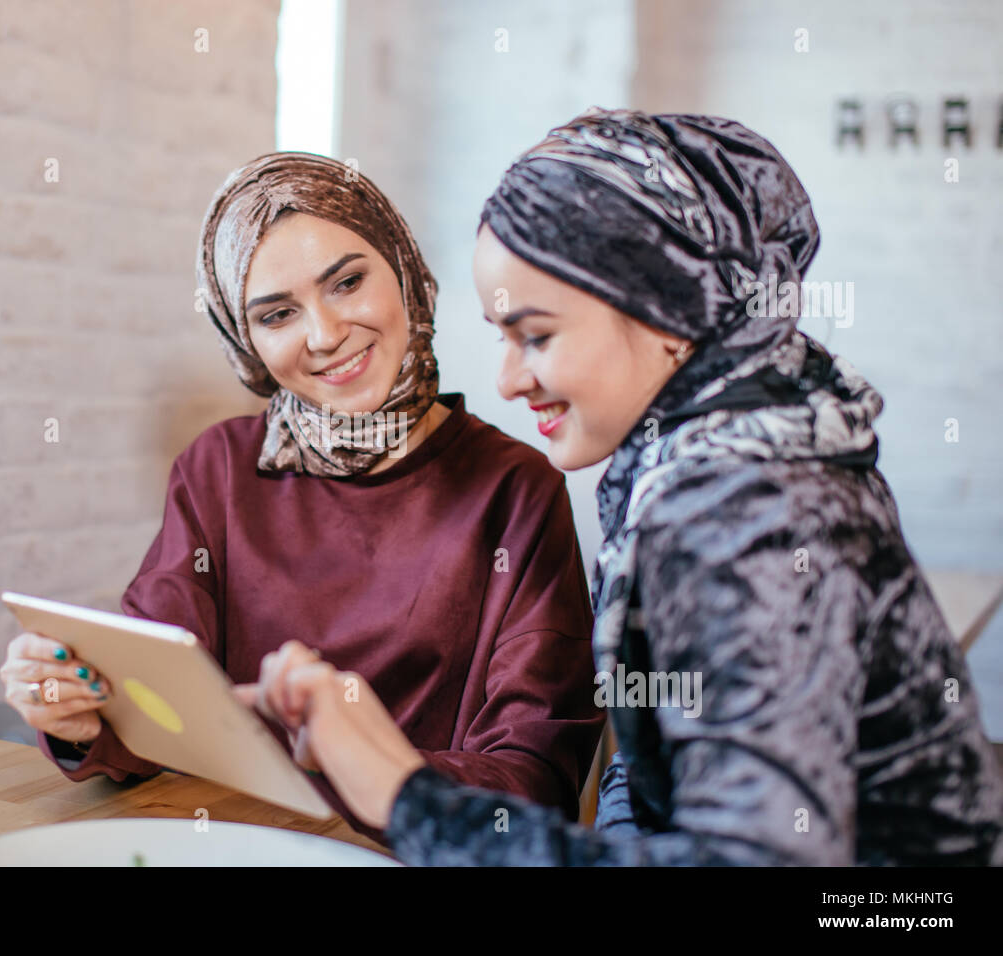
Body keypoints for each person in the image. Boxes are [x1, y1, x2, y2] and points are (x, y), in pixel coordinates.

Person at [239, 109, 1003, 865]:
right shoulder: (721, 454)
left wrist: (403, 793)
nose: (507, 380)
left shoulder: (749, 520)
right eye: (502, 336)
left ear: (672, 312)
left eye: (536, 336)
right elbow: (648, 776)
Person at [0, 152, 605, 840]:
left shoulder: (515, 489)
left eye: (347, 282)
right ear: (245, 340)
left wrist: (370, 775)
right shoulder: (217, 468)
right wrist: (80, 717)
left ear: (402, 271)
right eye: (278, 314)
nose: (325, 334)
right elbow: (155, 707)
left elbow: (534, 783)